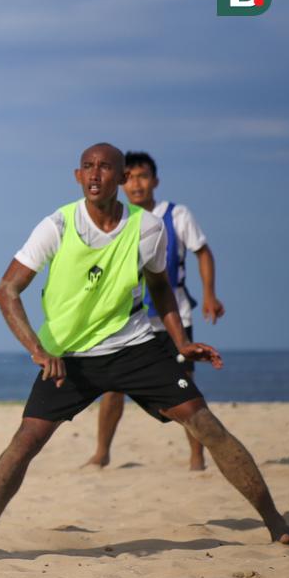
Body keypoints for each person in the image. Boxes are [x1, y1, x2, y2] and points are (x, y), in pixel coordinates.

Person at [0, 143, 289, 544]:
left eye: (105, 168)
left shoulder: (148, 228)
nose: (94, 174)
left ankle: (276, 522)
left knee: (206, 424)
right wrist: (38, 349)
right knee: (26, 441)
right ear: (76, 176)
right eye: (87, 167)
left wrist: (181, 342)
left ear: (122, 179)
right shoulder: (56, 225)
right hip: (68, 356)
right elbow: (6, 291)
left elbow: (160, 288)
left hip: (135, 346)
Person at [85, 151, 225, 470]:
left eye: (143, 176)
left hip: (174, 318)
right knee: (113, 387)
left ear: (155, 181)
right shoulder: (113, 220)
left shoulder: (176, 215)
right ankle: (101, 453)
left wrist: (209, 295)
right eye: (131, 176)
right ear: (122, 182)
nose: (137, 183)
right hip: (129, 322)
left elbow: (203, 253)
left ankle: (196, 458)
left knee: (185, 387)